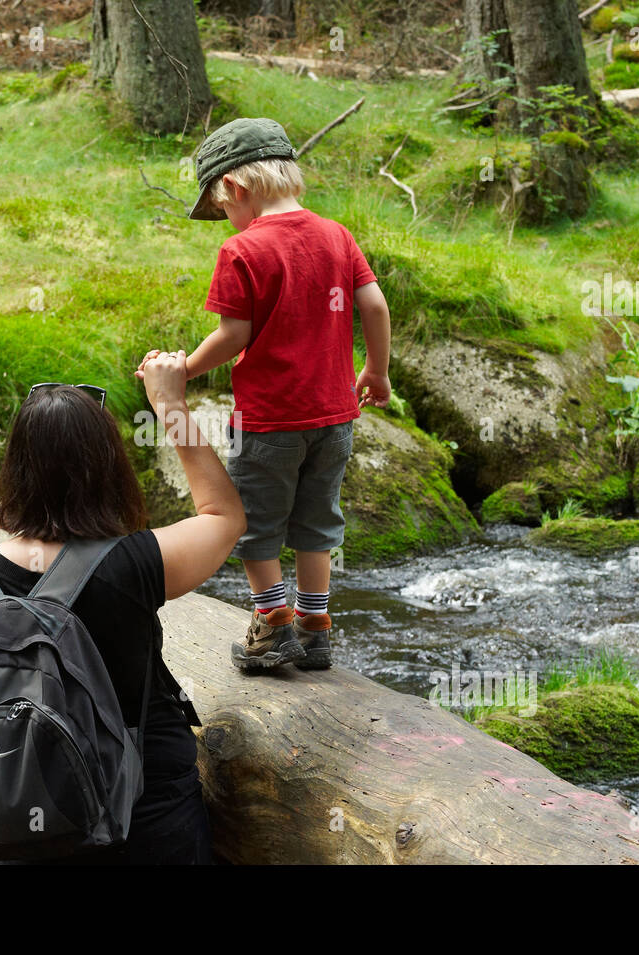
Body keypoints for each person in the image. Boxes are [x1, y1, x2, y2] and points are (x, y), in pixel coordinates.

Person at [0, 352, 245, 864]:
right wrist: (169, 403)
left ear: (16, 467)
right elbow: (225, 515)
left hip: (21, 827)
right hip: (144, 822)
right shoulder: (136, 563)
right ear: (108, 468)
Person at [161, 115, 393, 672]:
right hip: (335, 418)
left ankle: (274, 625)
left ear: (236, 189)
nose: (227, 223)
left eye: (223, 210)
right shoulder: (337, 235)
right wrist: (377, 371)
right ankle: (316, 628)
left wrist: (182, 372)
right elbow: (376, 306)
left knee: (256, 525)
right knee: (318, 521)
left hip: (269, 423)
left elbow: (233, 335)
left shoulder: (242, 251)